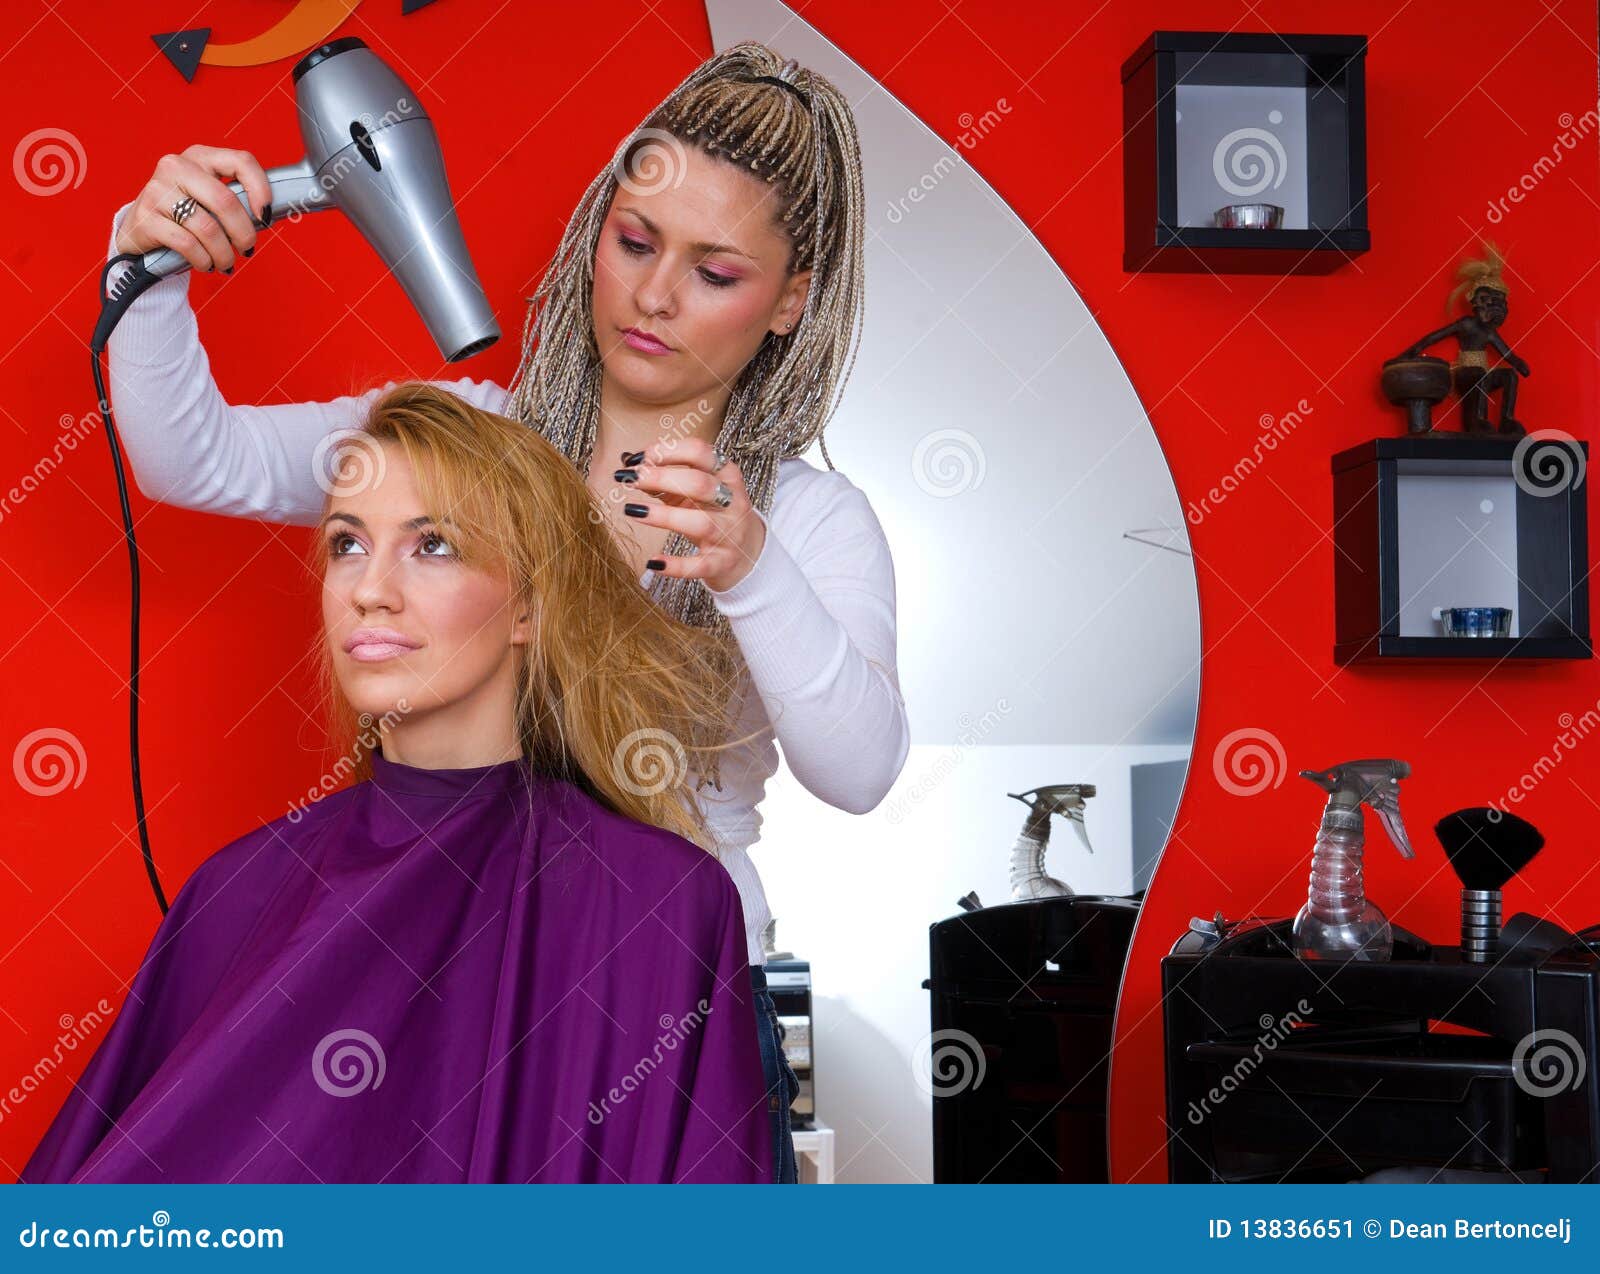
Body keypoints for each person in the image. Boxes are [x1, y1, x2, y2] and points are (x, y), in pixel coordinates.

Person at [102, 40, 909, 1183]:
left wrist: (750, 569)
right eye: (634, 243)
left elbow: (864, 768)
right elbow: (195, 457)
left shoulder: (806, 522)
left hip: (664, 1009)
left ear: (791, 301)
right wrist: (150, 267)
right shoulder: (465, 443)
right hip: (445, 990)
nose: (655, 294)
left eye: (715, 272)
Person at [21, 383, 772, 1184]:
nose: (368, 589)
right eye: (347, 543)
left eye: (432, 545)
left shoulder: (661, 902)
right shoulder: (235, 893)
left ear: (529, 606)